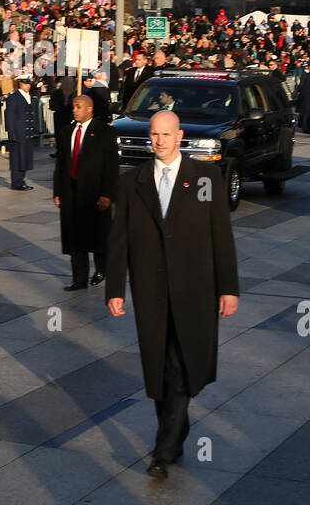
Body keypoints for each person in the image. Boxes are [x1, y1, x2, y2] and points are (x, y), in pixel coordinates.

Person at [106, 110, 239, 480]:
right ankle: (175, 432)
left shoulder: (205, 177)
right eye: (154, 134)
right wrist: (115, 288)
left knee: (181, 368)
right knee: (159, 370)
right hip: (151, 290)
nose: (160, 141)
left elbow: (220, 235)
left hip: (195, 289)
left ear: (180, 136)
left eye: (167, 134)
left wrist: (228, 287)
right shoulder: (132, 181)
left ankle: (162, 451)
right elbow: (119, 241)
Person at [53, 95, 119, 290]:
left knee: (98, 235)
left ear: (89, 109)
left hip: (94, 191)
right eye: (73, 106)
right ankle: (79, 279)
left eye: (78, 107)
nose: (74, 110)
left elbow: (111, 166)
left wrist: (107, 194)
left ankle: (101, 268)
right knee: (74, 237)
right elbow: (61, 165)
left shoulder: (104, 132)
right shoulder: (66, 132)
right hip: (71, 190)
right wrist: (58, 191)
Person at [4, 74, 37, 190]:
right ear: (20, 83)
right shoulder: (14, 97)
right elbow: (10, 116)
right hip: (18, 132)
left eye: (29, 83)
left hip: (27, 131)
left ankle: (21, 179)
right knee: (17, 158)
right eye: (25, 83)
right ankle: (17, 182)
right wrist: (12, 134)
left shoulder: (29, 96)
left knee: (25, 157)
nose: (28, 86)